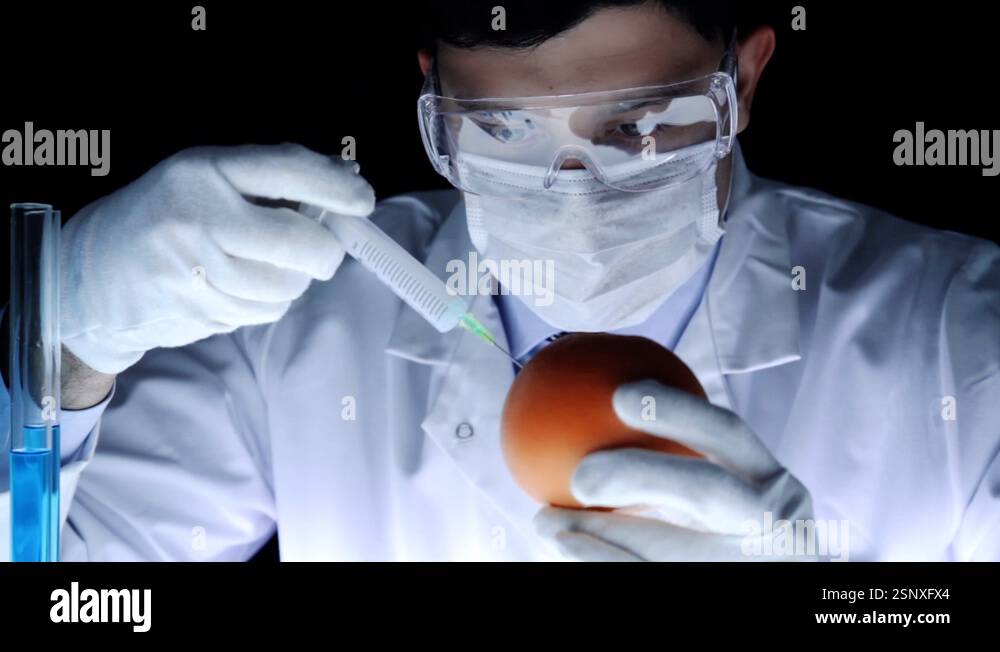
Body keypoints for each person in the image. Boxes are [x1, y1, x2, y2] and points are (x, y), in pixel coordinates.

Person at [1, 0, 997, 561]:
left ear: (743, 76)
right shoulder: (294, 328)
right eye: (501, 133)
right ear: (429, 88)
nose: (573, 197)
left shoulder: (959, 338)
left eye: (636, 129)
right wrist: (68, 339)